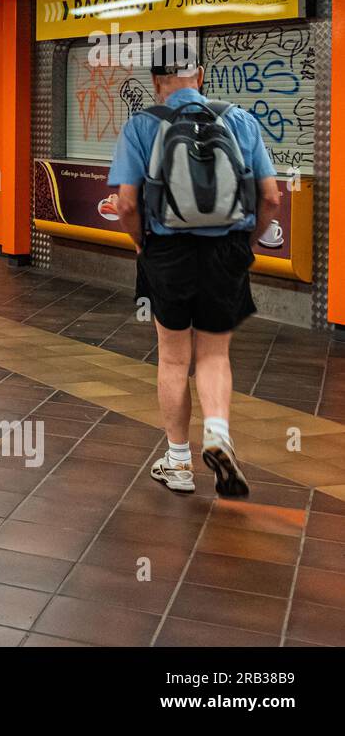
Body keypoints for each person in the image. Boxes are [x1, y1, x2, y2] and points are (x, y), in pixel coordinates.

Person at [108, 37, 280, 498]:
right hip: (225, 251)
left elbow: (126, 205)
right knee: (214, 354)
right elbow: (271, 197)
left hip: (168, 252)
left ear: (156, 82)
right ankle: (218, 435)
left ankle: (178, 462)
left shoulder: (142, 126)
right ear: (200, 76)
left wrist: (144, 245)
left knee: (173, 357)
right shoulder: (240, 119)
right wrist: (244, 242)